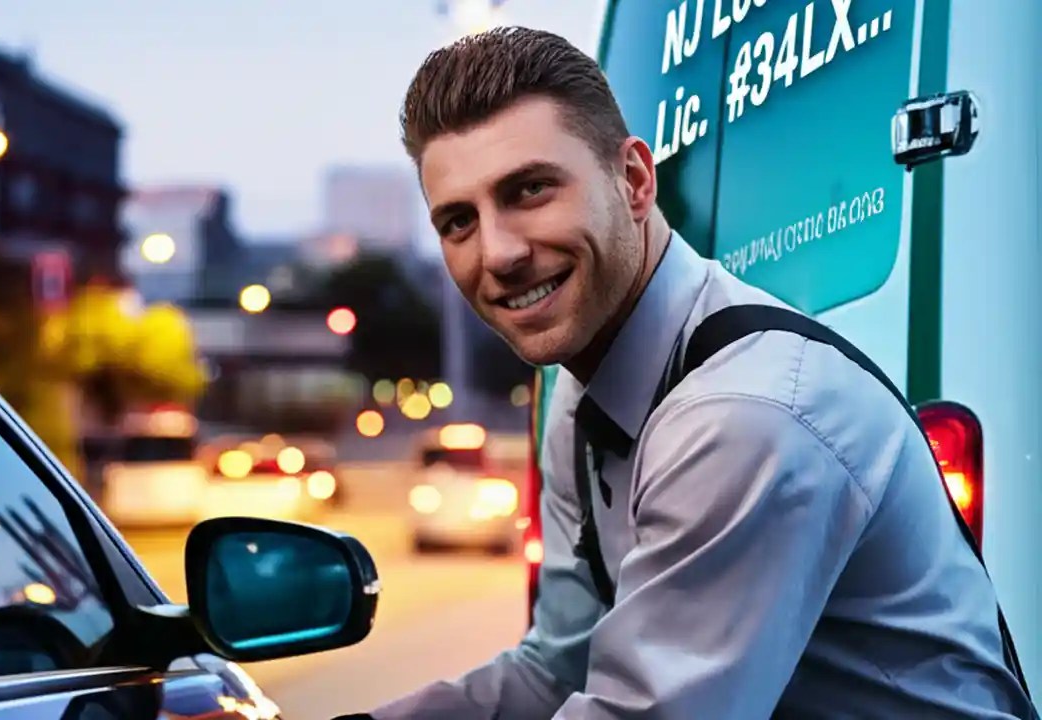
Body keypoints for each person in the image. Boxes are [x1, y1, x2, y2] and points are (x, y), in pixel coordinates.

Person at [336, 26, 1035, 720]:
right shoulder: (582, 397)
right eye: (458, 222)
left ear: (635, 182)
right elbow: (557, 670)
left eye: (531, 190)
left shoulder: (744, 413)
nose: (498, 253)